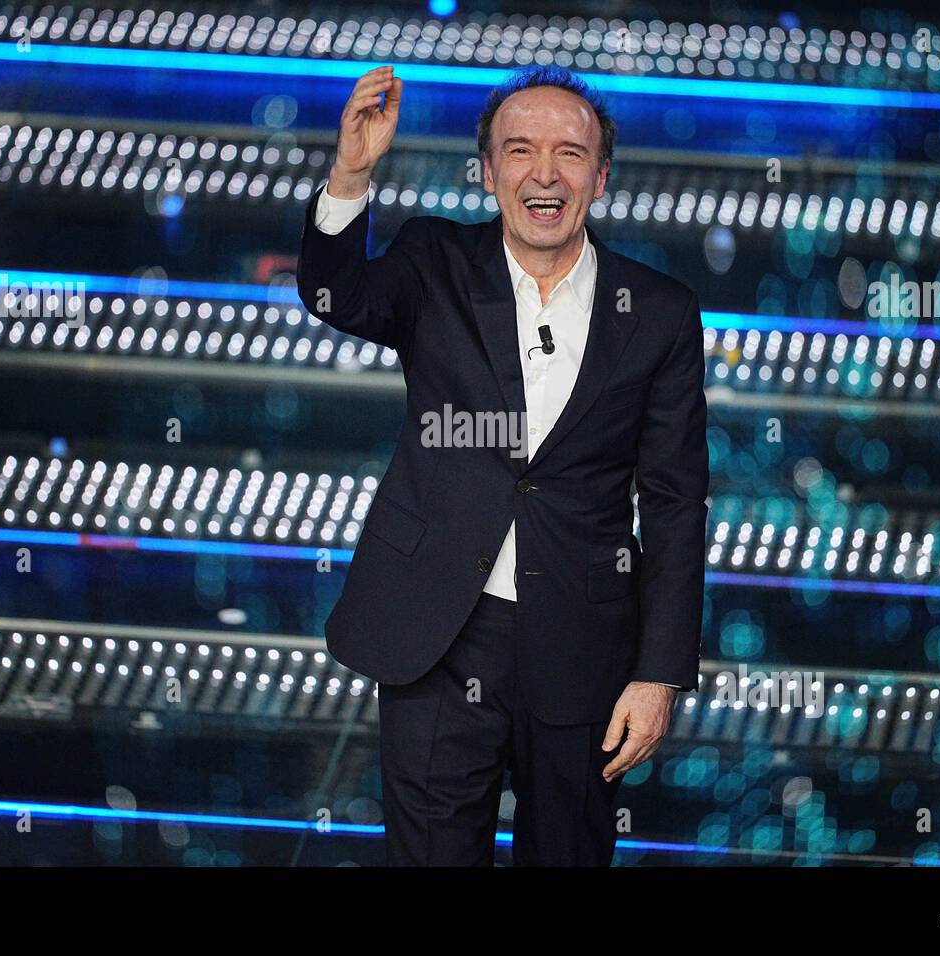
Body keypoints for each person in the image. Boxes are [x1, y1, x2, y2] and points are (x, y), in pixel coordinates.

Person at [297, 63, 709, 866]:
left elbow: (674, 501)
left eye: (568, 152)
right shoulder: (434, 261)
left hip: (585, 646)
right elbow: (333, 298)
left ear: (601, 174)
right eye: (519, 151)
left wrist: (659, 675)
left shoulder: (658, 313)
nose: (544, 172)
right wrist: (352, 173)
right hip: (438, 638)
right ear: (487, 173)